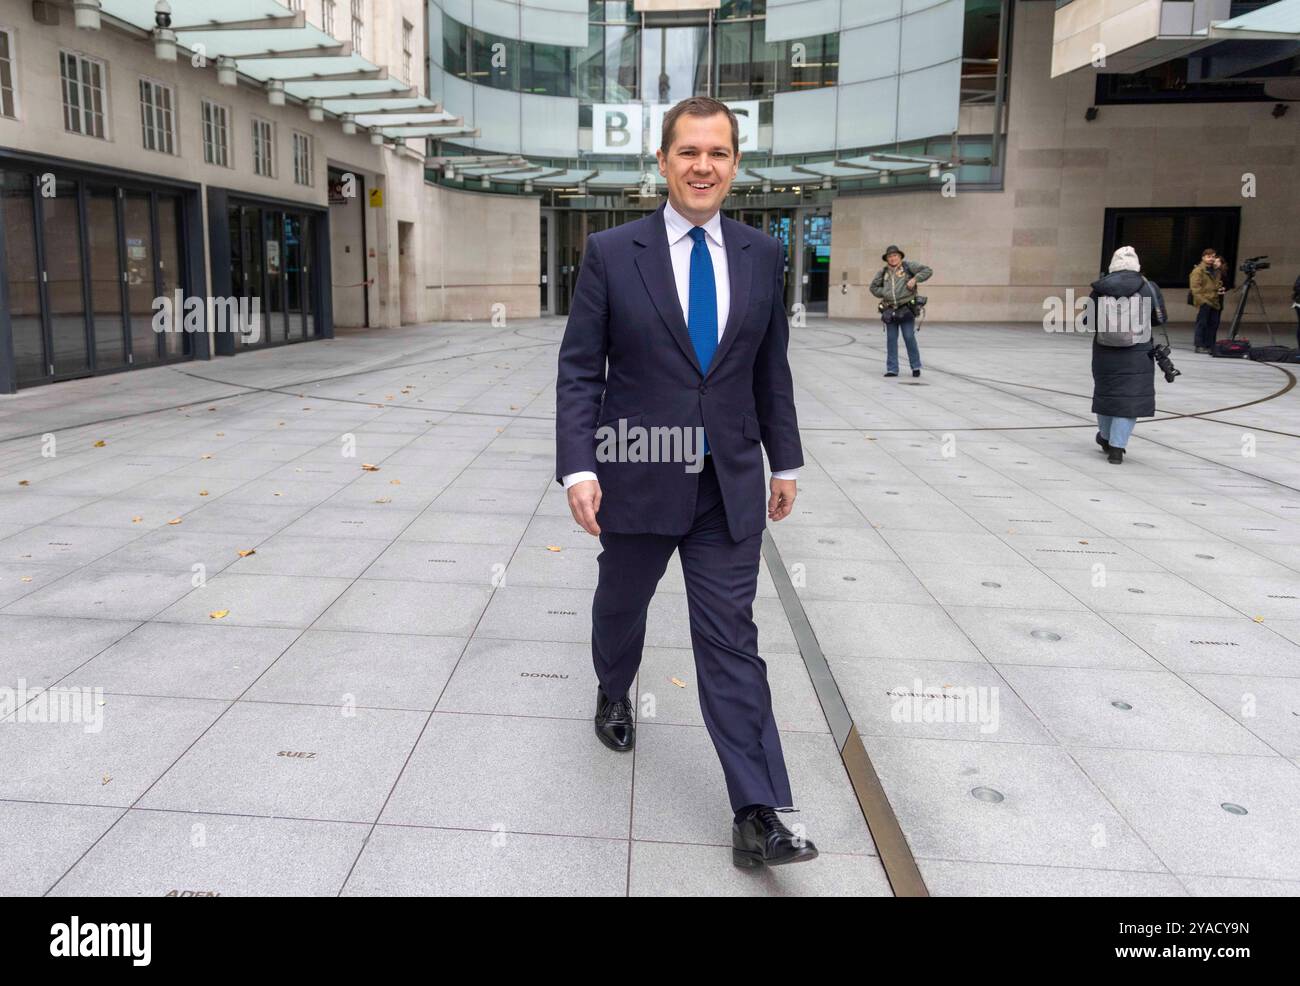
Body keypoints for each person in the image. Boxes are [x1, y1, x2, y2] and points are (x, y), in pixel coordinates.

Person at [555, 96, 817, 868]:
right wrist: (579, 466)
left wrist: (786, 460)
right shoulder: (611, 252)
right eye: (689, 152)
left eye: (719, 153)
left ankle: (758, 810)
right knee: (621, 604)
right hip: (635, 472)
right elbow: (579, 370)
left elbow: (771, 368)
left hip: (726, 485)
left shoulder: (761, 255)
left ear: (736, 165)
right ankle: (612, 686)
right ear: (662, 162)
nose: (704, 166)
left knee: (731, 639)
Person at [1088, 246, 1166, 464]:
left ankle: (1104, 437)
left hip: (1105, 352)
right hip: (1138, 352)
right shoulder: (1148, 287)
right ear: (1136, 264)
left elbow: (1087, 321)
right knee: (1130, 399)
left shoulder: (1101, 287)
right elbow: (1160, 319)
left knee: (1107, 395)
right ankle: (1117, 447)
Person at [870, 246, 932, 377]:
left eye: (895, 256)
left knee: (909, 337)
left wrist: (915, 279)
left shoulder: (908, 266)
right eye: (890, 256)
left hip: (906, 309)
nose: (893, 258)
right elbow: (873, 287)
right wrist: (884, 293)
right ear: (887, 259)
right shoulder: (883, 272)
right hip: (890, 310)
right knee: (891, 339)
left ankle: (915, 366)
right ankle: (892, 369)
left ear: (900, 257)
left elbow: (928, 270)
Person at [1189, 248, 1225, 353]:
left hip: (1214, 300)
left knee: (1213, 324)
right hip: (1205, 300)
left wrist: (1219, 288)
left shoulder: (1216, 270)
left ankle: (1210, 345)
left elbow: (1217, 283)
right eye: (1208, 256)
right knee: (1202, 323)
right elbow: (1195, 287)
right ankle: (1199, 345)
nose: (1211, 259)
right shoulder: (1198, 270)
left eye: (1213, 256)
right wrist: (1202, 301)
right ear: (1203, 257)